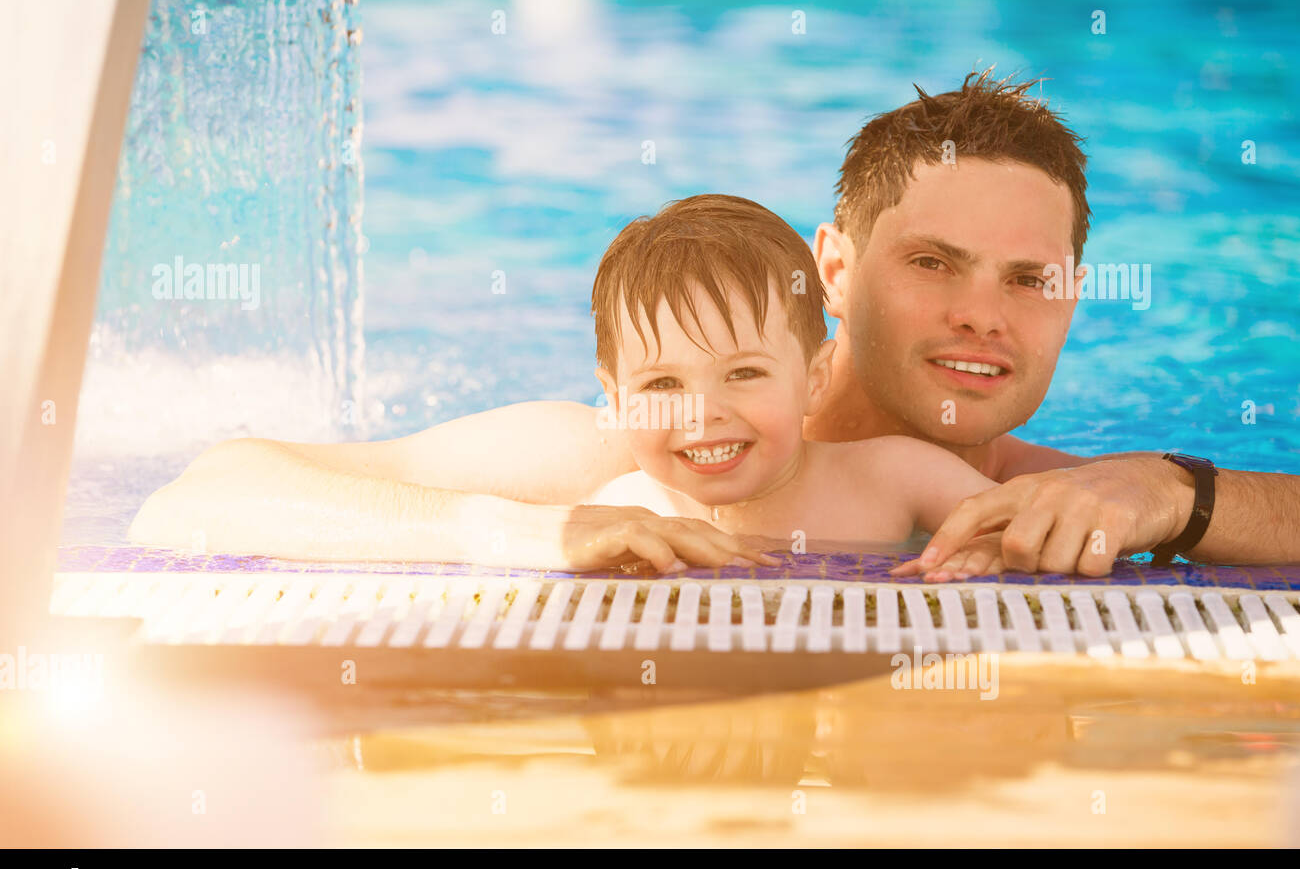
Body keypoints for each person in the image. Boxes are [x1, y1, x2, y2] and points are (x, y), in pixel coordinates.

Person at [129, 71, 1300, 576]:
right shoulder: (622, 458)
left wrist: (1177, 492)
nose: (979, 317)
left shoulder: (1058, 494)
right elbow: (201, 492)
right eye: (933, 261)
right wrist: (523, 535)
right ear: (831, 267)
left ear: (1073, 296)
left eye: (1027, 278)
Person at [582, 193, 998, 559]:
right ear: (618, 403)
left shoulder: (895, 480)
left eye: (744, 372)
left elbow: (1029, 520)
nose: (702, 414)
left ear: (814, 380)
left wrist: (989, 546)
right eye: (663, 383)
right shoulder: (619, 512)